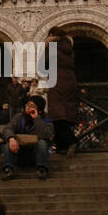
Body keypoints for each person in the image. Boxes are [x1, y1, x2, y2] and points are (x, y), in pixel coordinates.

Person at [0, 95, 54, 180]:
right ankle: (8, 170)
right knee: (8, 144)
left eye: (32, 106)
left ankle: (42, 170)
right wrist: (11, 138)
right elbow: (8, 128)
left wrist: (37, 119)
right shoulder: (18, 117)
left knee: (42, 143)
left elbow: (46, 135)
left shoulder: (46, 120)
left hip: (35, 155)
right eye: (28, 105)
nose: (28, 108)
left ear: (39, 110)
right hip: (19, 152)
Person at [46, 29, 79, 157]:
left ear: (52, 35)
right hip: (70, 80)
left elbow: (43, 63)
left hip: (57, 81)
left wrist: (46, 46)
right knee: (64, 114)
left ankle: (71, 141)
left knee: (57, 116)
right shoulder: (69, 48)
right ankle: (61, 146)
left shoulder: (52, 46)